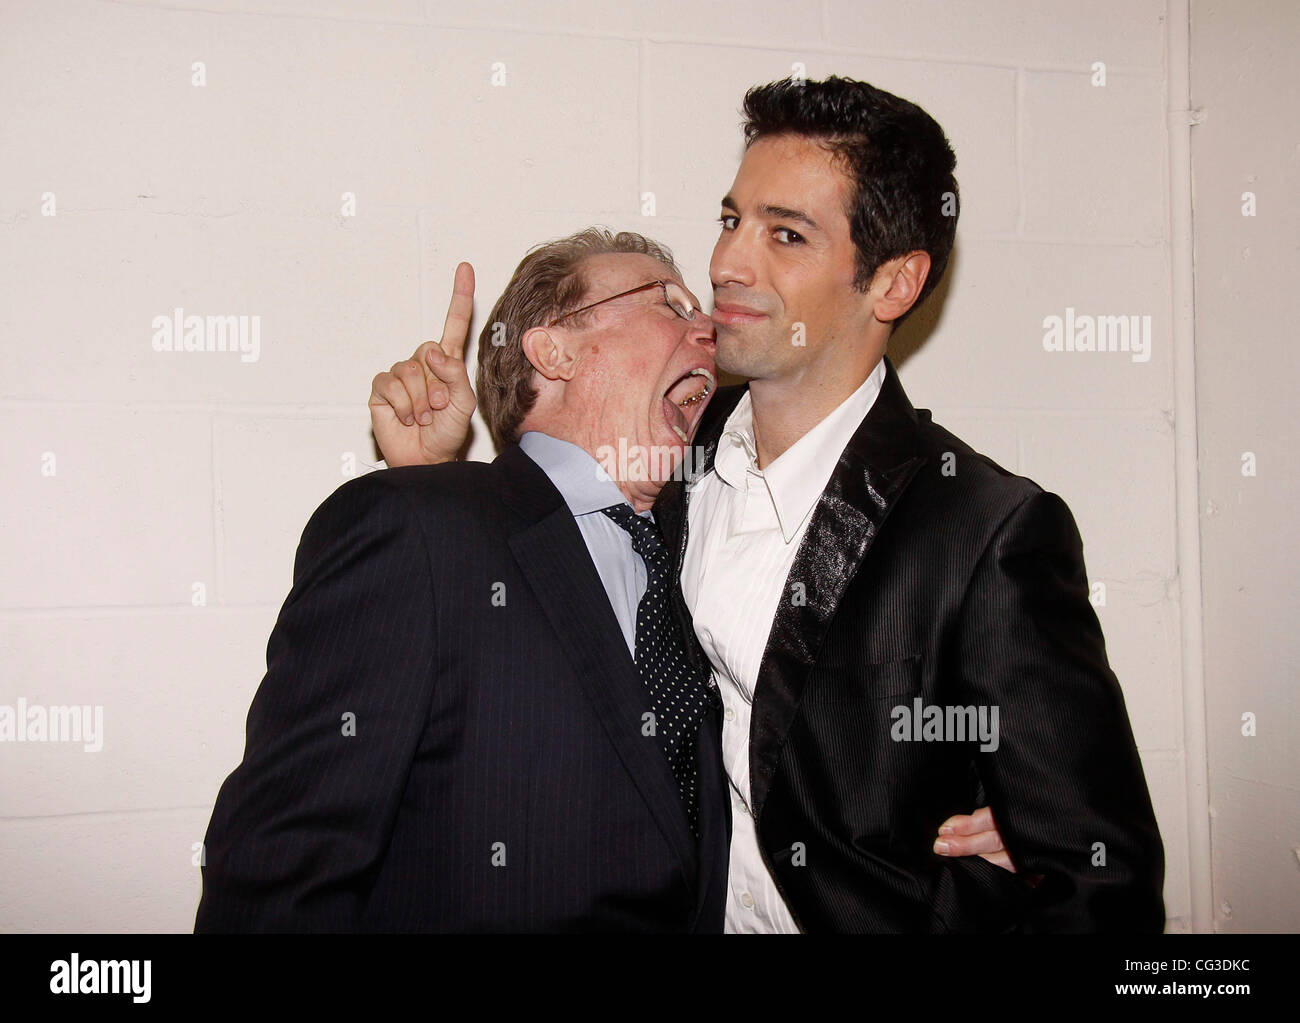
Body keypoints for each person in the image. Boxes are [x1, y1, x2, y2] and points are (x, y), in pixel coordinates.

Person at [372, 76, 1165, 932]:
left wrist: (1023, 863)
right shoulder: (666, 449)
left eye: (785, 233)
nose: (726, 264)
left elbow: (1105, 888)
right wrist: (434, 470)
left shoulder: (981, 531)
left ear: (893, 283)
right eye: (730, 220)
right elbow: (542, 589)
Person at [196, 229, 731, 932]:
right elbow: (279, 869)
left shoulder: (700, 551)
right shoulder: (417, 530)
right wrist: (435, 500)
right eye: (669, 301)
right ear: (554, 349)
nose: (707, 326)